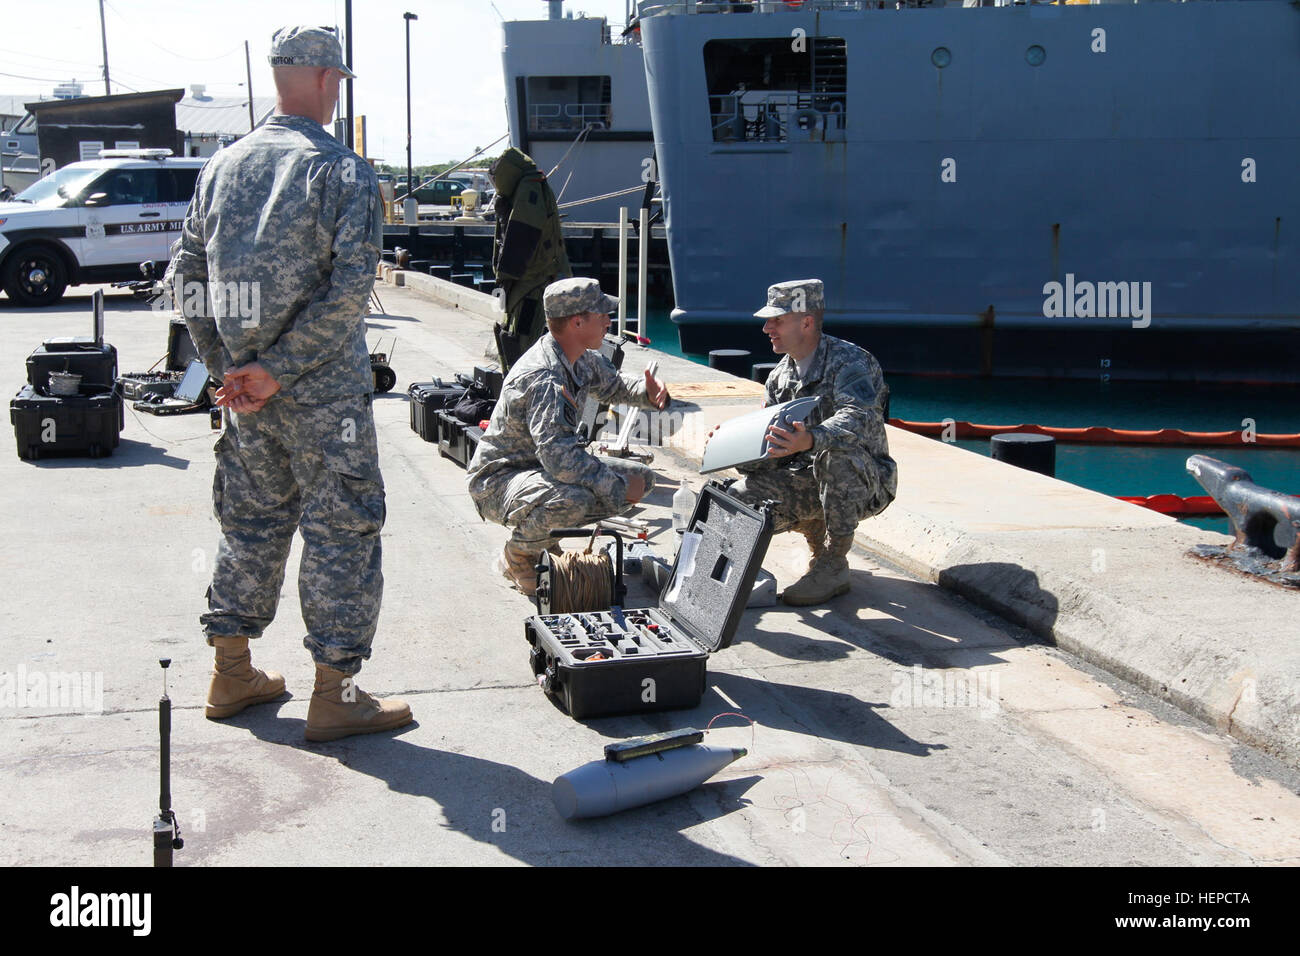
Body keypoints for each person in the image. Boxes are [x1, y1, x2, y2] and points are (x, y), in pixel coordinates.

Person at [166, 25, 411, 741]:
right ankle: (336, 695)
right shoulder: (342, 172)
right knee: (341, 531)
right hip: (322, 397)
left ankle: (232, 672)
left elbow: (188, 278)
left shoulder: (221, 167)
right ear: (330, 80)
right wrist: (273, 371)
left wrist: (229, 371)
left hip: (245, 397)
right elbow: (346, 294)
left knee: (250, 524)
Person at [467, 277, 670, 595]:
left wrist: (648, 392)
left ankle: (545, 539)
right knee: (575, 498)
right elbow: (560, 460)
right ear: (577, 321)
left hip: (539, 470)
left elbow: (613, 385)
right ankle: (518, 556)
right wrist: (613, 486)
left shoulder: (578, 355)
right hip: (498, 481)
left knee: (641, 479)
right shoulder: (545, 377)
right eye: (602, 314)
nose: (608, 320)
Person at [720, 278, 897, 606]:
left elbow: (860, 417)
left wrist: (811, 439)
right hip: (810, 478)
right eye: (768, 321)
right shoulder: (779, 377)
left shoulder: (852, 362)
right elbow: (772, 450)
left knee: (834, 457)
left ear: (806, 321)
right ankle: (815, 531)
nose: (766, 328)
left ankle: (833, 564)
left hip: (864, 479)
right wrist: (735, 446)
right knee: (741, 494)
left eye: (777, 320)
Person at [488, 147, 571, 371]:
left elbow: (520, 238)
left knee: (522, 343)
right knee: (515, 338)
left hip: (533, 284)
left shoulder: (528, 189)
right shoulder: (529, 186)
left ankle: (522, 390)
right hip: (532, 282)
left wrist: (504, 278)